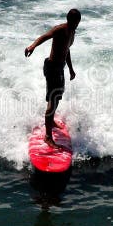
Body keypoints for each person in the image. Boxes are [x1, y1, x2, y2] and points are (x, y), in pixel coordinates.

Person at [24, 9, 81, 148]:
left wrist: (71, 69)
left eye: (77, 23)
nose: (76, 25)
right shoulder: (60, 29)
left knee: (57, 97)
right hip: (52, 68)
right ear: (69, 20)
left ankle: (51, 121)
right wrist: (32, 46)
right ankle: (48, 137)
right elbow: (44, 37)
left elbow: (66, 49)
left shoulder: (72, 32)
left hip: (60, 69)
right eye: (74, 23)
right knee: (52, 100)